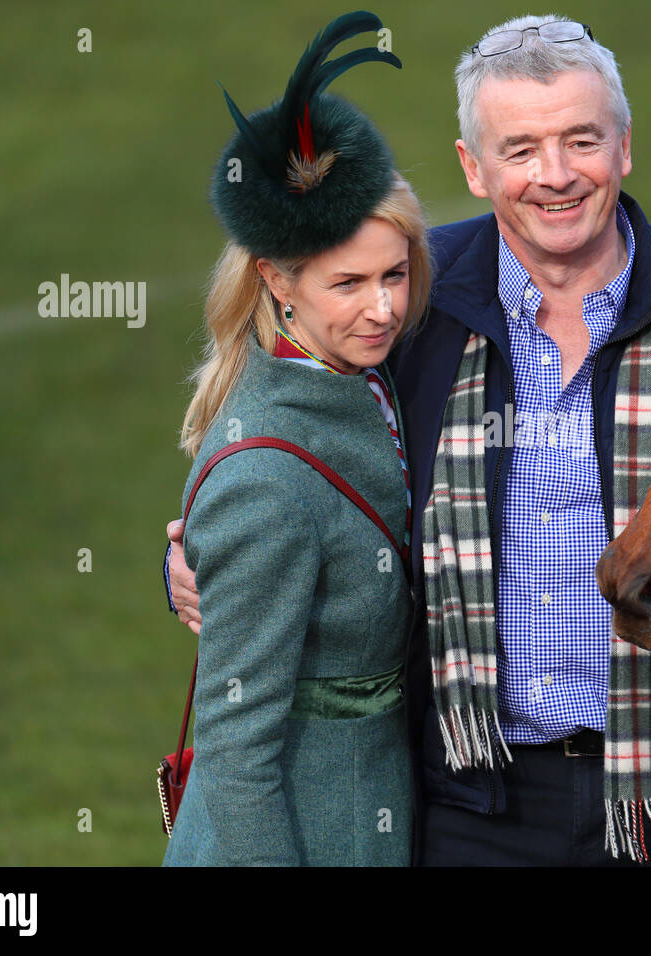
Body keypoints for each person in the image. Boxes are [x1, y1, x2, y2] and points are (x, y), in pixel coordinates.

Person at [168, 14, 651, 866]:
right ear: (472, 169)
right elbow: (282, 449)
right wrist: (190, 567)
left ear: (625, 148)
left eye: (580, 141)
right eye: (519, 150)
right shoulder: (408, 308)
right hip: (470, 800)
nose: (554, 177)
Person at [162, 12, 430, 866]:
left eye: (395, 275)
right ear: (277, 282)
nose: (383, 307)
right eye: (347, 283)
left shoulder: (367, 373)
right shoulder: (264, 481)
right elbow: (238, 755)